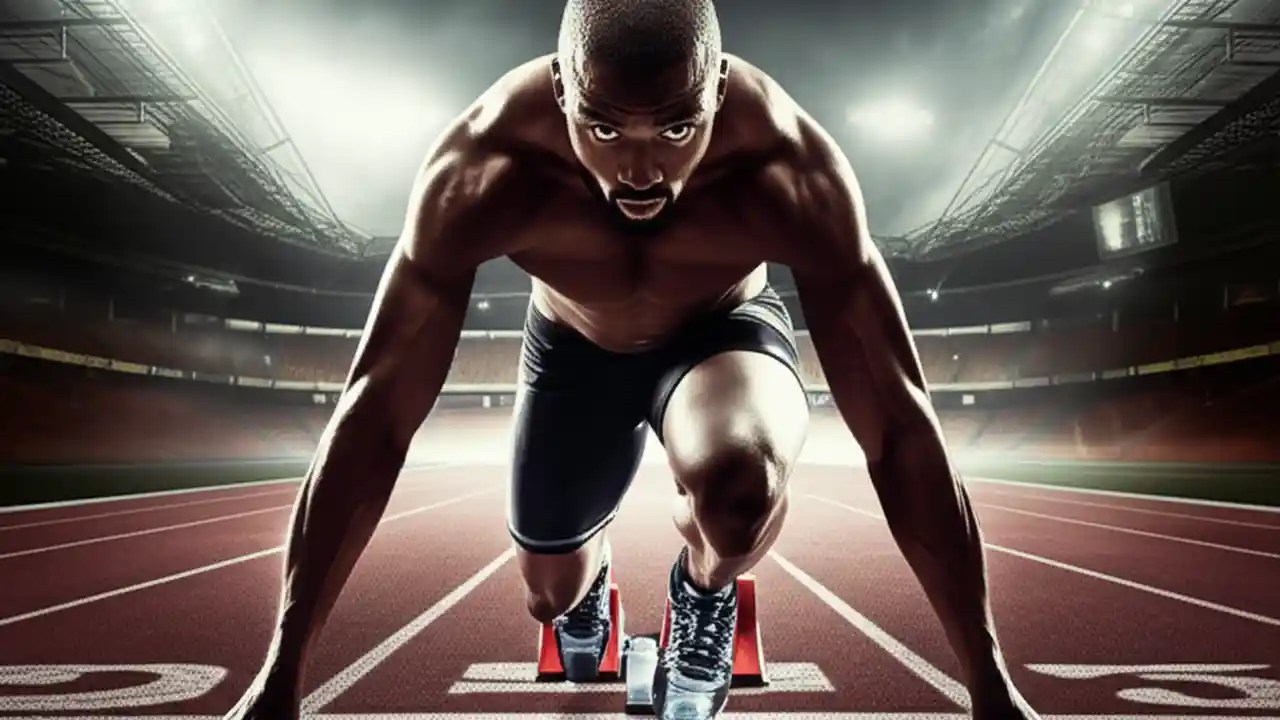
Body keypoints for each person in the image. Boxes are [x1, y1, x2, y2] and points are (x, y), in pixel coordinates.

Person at [225, 1, 1040, 718]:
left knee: (740, 493)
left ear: (719, 89)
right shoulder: (483, 170)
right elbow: (374, 414)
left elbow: (900, 427)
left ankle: (703, 593)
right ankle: (588, 591)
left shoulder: (789, 172)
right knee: (550, 597)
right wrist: (282, 671)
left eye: (678, 128)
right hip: (572, 350)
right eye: (605, 127)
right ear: (560, 89)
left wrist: (990, 683)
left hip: (721, 336)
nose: (641, 170)